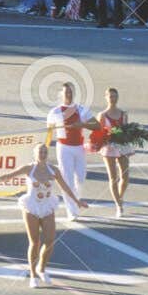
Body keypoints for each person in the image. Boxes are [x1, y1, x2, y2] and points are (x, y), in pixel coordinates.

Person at [0, 143, 87, 287]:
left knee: (50, 241)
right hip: (31, 206)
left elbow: (65, 186)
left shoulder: (53, 170)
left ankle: (42, 268)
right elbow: (9, 176)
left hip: (47, 205)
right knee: (34, 242)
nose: (42, 154)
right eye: (40, 152)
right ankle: (33, 275)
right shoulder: (29, 168)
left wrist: (76, 201)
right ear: (35, 154)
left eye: (45, 152)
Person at [44, 82, 93, 221]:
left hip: (79, 147)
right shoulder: (55, 112)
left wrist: (82, 124)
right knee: (67, 179)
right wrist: (43, 150)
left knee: (81, 178)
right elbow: (48, 131)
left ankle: (76, 201)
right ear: (61, 94)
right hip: (64, 148)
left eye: (71, 92)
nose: (69, 95)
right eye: (66, 93)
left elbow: (96, 125)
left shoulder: (81, 109)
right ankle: (71, 210)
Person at [88, 87, 134, 217]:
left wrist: (125, 133)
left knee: (125, 177)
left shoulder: (124, 114)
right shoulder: (102, 115)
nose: (112, 98)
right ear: (106, 98)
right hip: (109, 147)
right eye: (110, 96)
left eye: (115, 96)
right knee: (113, 177)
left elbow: (125, 130)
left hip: (122, 145)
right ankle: (119, 205)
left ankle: (119, 198)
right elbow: (98, 131)